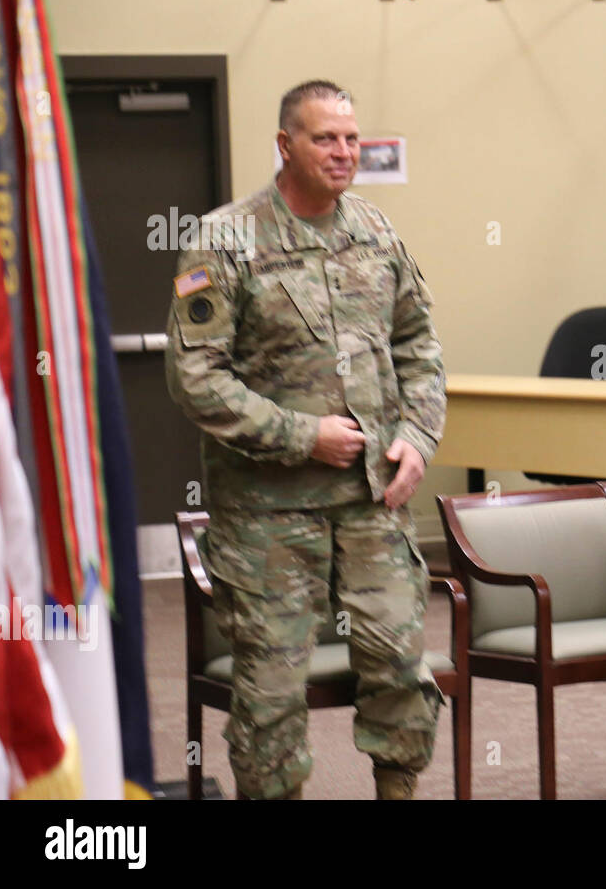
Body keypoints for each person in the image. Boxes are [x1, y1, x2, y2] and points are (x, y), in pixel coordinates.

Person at [165, 80, 447, 800]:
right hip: (268, 517)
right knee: (271, 693)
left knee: (400, 668)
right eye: (326, 139)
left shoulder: (376, 232)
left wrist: (416, 435)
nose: (344, 152)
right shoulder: (224, 240)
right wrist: (301, 436)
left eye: (352, 139)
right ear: (285, 145)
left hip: (371, 503)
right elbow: (196, 377)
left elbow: (417, 341)